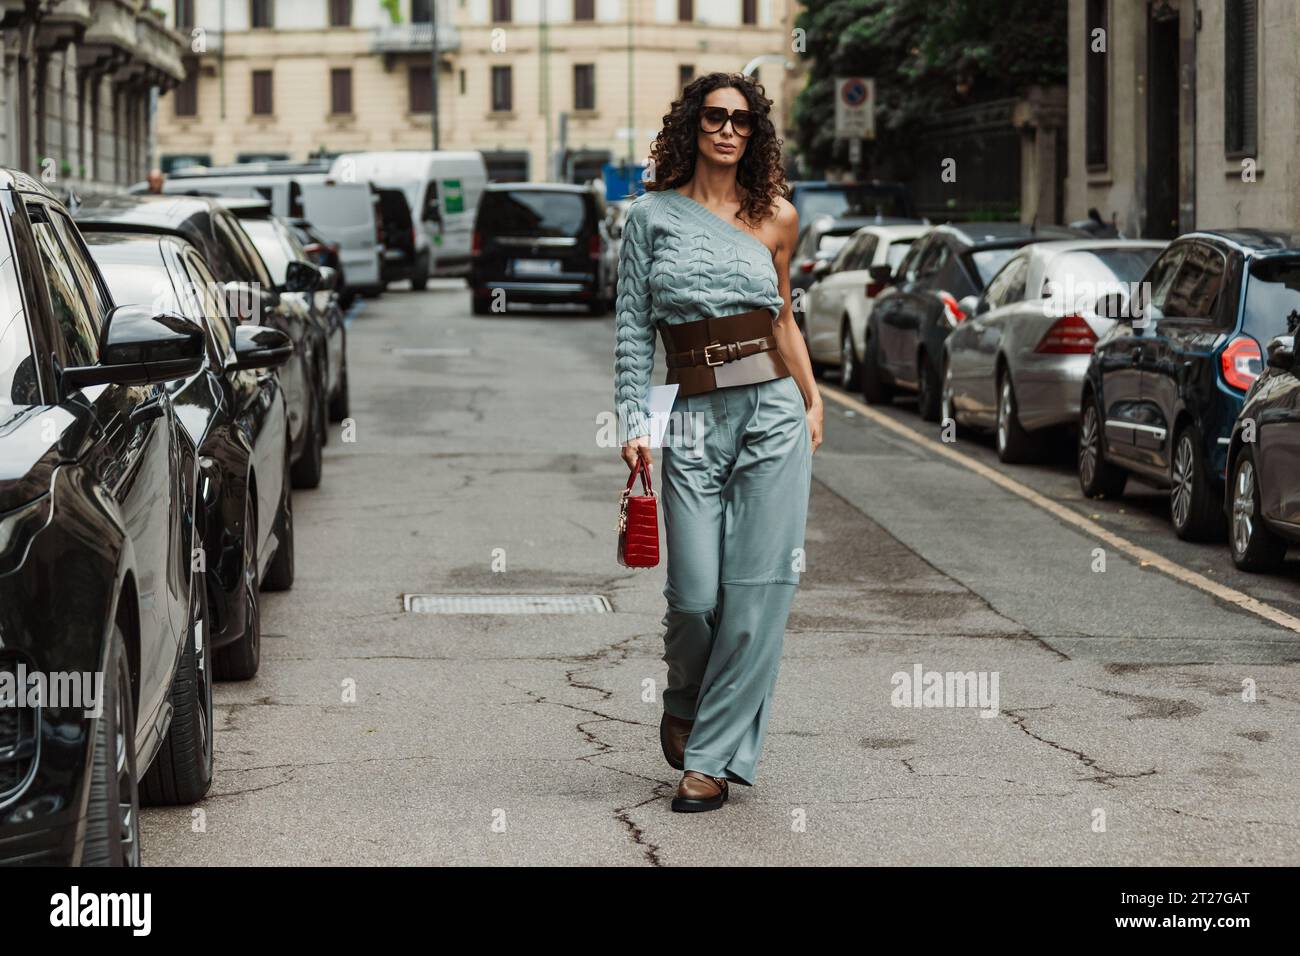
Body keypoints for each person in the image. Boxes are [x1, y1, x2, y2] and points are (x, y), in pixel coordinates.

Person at [613, 72, 823, 813]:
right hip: (691, 414)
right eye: (714, 117)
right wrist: (635, 423)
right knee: (695, 596)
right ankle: (685, 695)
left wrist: (812, 395)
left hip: (771, 408)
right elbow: (635, 329)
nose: (728, 129)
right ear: (691, 127)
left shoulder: (778, 218)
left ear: (755, 131)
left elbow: (783, 317)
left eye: (741, 119)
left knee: (756, 595)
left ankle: (708, 760)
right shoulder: (649, 218)